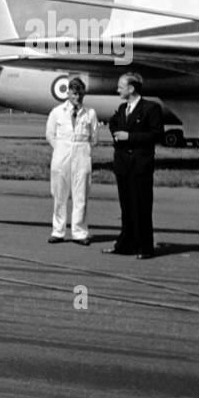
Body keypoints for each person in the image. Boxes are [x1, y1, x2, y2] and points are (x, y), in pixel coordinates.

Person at [106, 72, 163, 259]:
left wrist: (129, 137)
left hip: (140, 166)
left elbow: (156, 134)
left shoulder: (151, 108)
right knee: (126, 207)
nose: (117, 90)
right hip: (123, 165)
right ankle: (125, 244)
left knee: (142, 207)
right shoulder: (123, 108)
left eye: (120, 86)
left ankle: (145, 247)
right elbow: (113, 124)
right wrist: (118, 135)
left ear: (131, 88)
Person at [45, 77, 98, 244]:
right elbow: (50, 135)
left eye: (80, 94)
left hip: (82, 155)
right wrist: (61, 148)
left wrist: (81, 149)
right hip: (62, 155)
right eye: (74, 94)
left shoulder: (90, 113)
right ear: (68, 93)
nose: (77, 98)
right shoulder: (57, 112)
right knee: (59, 195)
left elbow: (94, 138)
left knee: (81, 194)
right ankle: (58, 231)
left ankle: (79, 232)